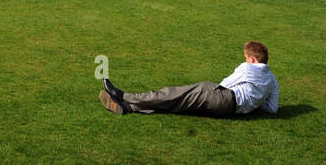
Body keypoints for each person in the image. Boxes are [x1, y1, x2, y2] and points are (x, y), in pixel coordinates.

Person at [99, 40, 279, 118]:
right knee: (178, 104)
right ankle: (128, 107)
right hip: (231, 110)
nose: (244, 60)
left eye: (246, 57)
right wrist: (255, 101)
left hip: (220, 96)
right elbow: (272, 109)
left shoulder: (248, 68)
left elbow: (226, 84)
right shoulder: (271, 80)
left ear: (252, 59)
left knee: (171, 94)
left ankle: (124, 95)